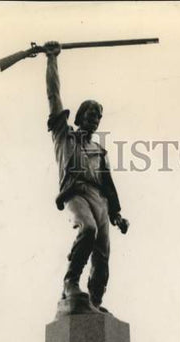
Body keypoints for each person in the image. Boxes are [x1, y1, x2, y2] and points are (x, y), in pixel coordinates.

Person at [44, 40, 129, 313]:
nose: (95, 119)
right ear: (80, 116)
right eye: (91, 114)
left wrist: (116, 214)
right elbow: (53, 95)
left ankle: (95, 301)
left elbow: (109, 185)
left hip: (99, 198)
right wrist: (52, 59)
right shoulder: (64, 135)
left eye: (99, 116)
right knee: (88, 229)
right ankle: (71, 281)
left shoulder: (98, 150)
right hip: (75, 192)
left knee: (103, 254)